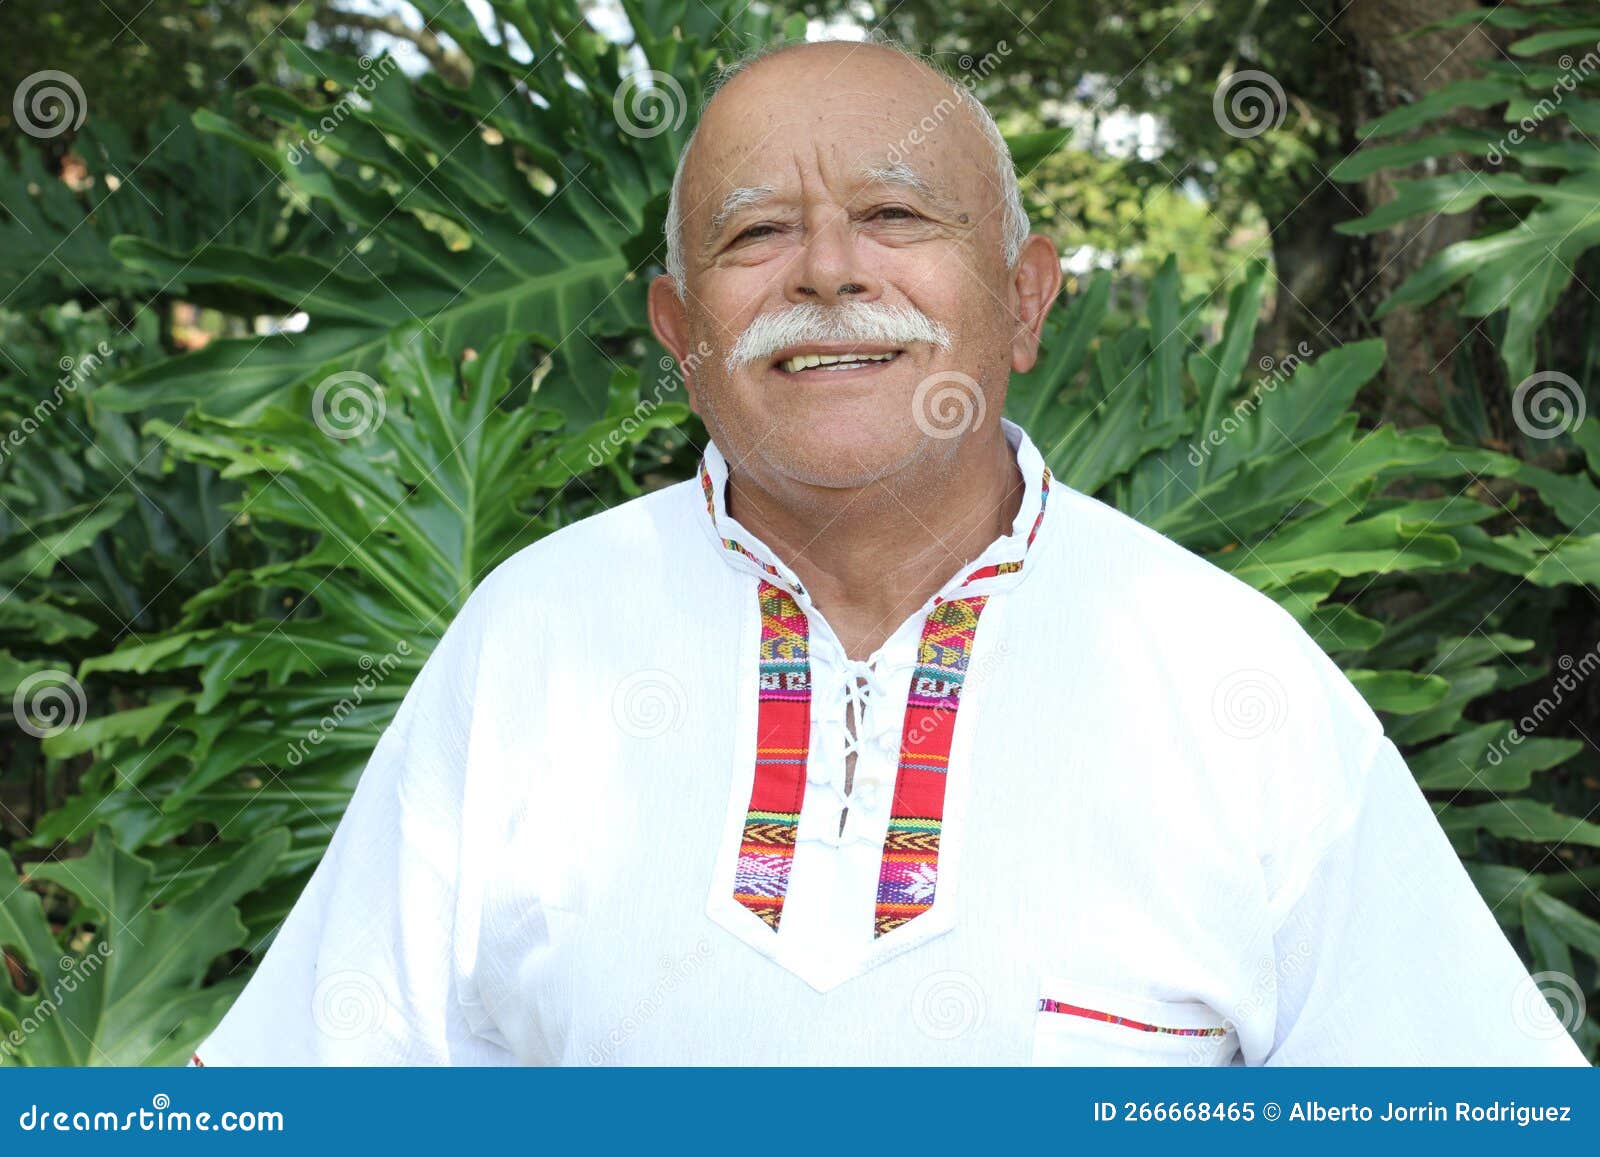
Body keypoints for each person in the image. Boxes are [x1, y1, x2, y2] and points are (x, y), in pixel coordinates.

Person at [192, 38, 1588, 1066]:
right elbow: (315, 1088)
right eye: (758, 234)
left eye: (899, 216)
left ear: (1026, 302)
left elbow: (1457, 1101)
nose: (828, 271)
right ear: (681, 334)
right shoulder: (532, 643)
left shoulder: (1225, 674)